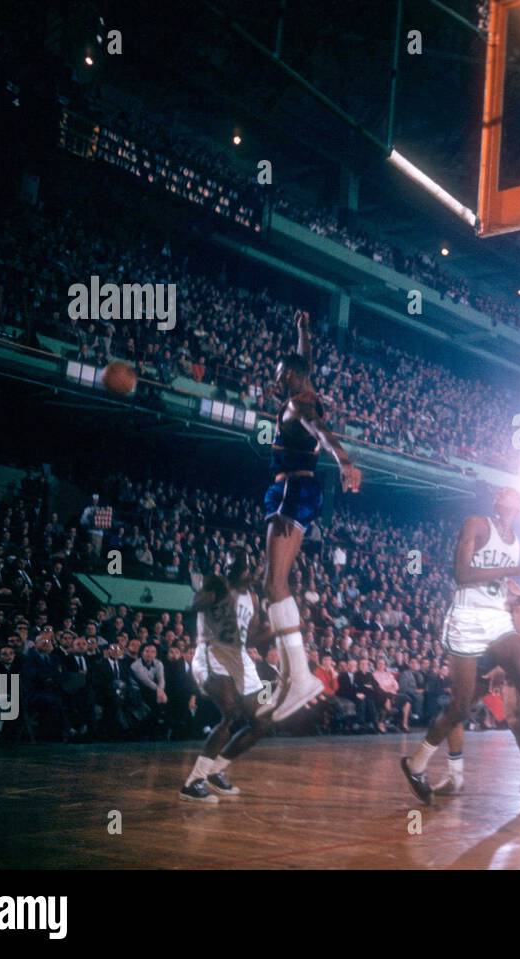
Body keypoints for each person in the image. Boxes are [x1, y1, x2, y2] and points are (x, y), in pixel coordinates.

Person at [401, 488, 520, 805]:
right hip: (466, 616)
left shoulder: (515, 542)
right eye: (501, 493)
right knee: (460, 706)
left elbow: (495, 591)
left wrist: (519, 599)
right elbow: (463, 574)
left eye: (513, 493)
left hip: (495, 618)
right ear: (496, 503)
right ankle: (417, 762)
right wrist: (517, 571)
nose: (505, 495)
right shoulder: (476, 523)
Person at [260, 308, 361, 723]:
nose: (280, 377)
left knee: (275, 582)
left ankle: (298, 675)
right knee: (273, 583)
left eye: (285, 373)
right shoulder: (303, 390)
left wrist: (345, 460)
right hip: (294, 488)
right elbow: (307, 364)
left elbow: (321, 430)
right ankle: (292, 674)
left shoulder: (299, 406)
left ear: (295, 378)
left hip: (293, 488)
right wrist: (302, 330)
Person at [180, 552, 275, 803]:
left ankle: (215, 770)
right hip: (212, 650)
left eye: (246, 569)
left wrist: (271, 630)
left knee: (263, 721)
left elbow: (250, 637)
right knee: (231, 714)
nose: (245, 573)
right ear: (230, 569)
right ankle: (193, 782)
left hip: (240, 656)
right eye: (237, 568)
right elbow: (193, 606)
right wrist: (211, 590)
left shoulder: (252, 597)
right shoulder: (217, 584)